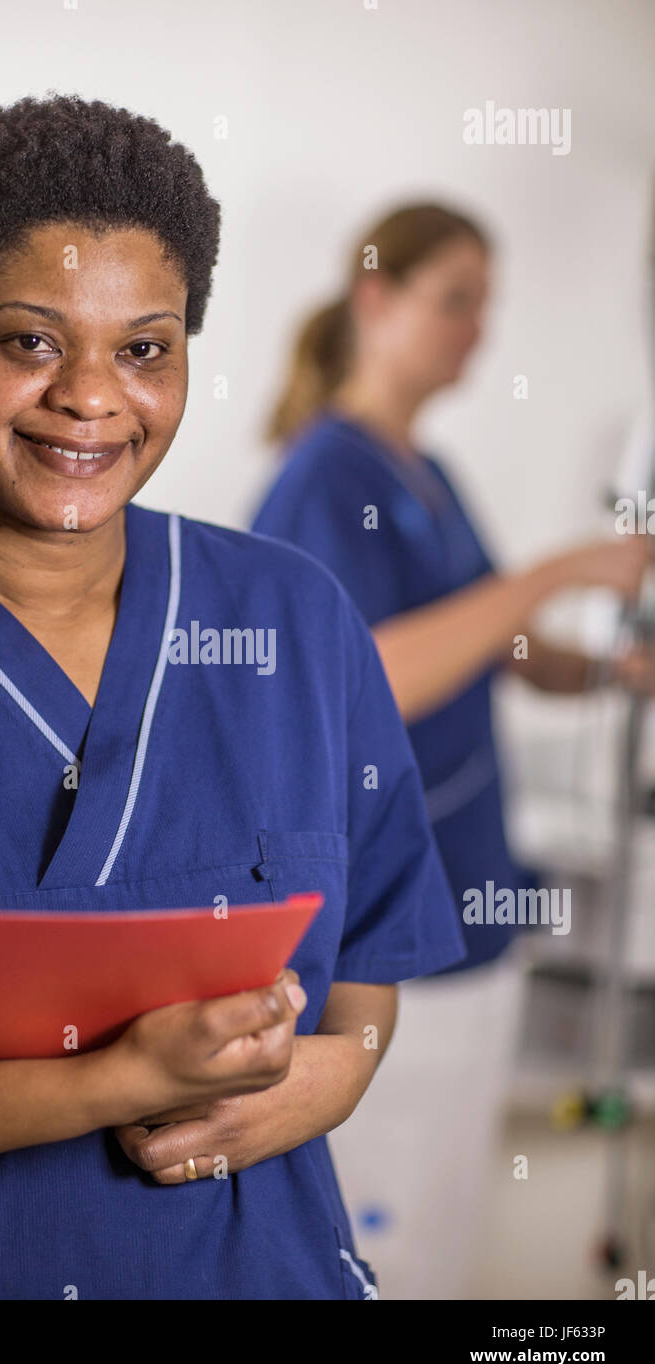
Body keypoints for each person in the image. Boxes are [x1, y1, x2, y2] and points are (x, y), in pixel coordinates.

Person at [0, 101, 466, 1301]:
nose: (92, 397)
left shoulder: (293, 620)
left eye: (144, 348)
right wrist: (113, 1080)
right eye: (31, 342)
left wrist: (343, 1069)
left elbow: (369, 963)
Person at [251, 203, 651, 1297]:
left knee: (445, 1213)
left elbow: (501, 646)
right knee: (390, 1235)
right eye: (456, 297)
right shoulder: (326, 477)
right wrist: (559, 568)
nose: (480, 328)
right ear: (375, 299)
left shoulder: (424, 471)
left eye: (488, 302)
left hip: (474, 901)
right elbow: (367, 674)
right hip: (393, 940)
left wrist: (610, 668)